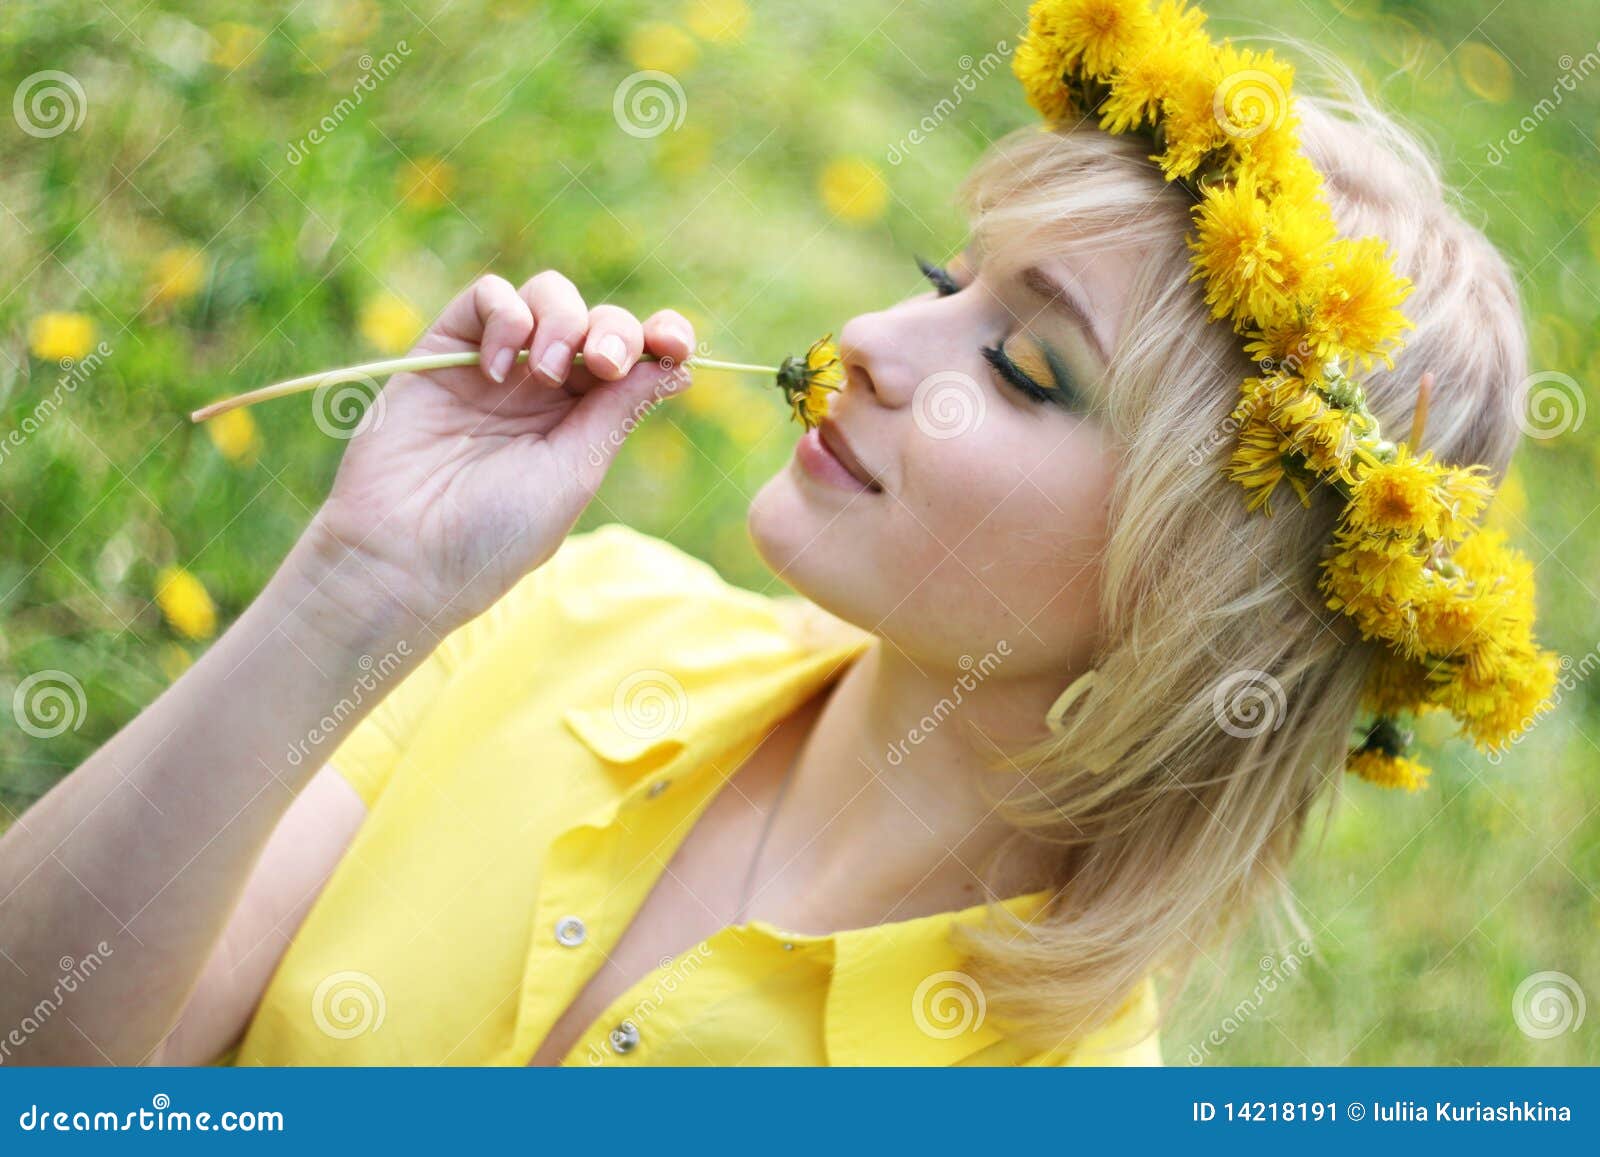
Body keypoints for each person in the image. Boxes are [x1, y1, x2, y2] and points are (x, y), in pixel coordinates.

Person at [0, 2, 1540, 1066]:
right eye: (946, 281)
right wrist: (355, 593)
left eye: (1023, 367)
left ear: (1194, 609)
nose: (869, 337)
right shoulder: (577, 617)